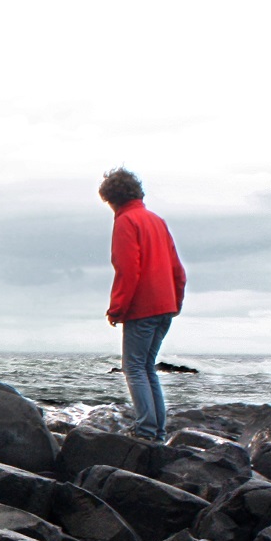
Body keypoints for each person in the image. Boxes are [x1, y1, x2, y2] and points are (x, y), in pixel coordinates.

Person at [100, 167, 185, 441]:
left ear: (111, 199)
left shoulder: (126, 222)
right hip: (166, 306)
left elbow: (128, 269)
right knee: (148, 367)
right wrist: (176, 302)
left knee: (134, 368)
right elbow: (178, 270)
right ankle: (158, 432)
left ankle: (147, 431)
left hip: (143, 308)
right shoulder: (157, 221)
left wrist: (117, 309)